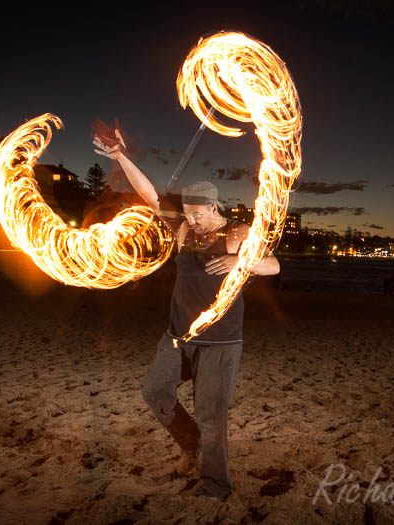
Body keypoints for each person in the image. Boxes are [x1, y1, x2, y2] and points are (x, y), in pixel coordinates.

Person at [93, 127, 280, 501]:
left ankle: (216, 486)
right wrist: (120, 158)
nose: (191, 221)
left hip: (221, 342)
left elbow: (273, 265)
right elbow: (148, 195)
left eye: (198, 215)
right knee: (155, 393)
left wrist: (238, 260)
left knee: (212, 417)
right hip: (178, 337)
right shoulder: (181, 229)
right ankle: (191, 442)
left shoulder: (238, 233)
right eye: (188, 215)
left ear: (214, 208)